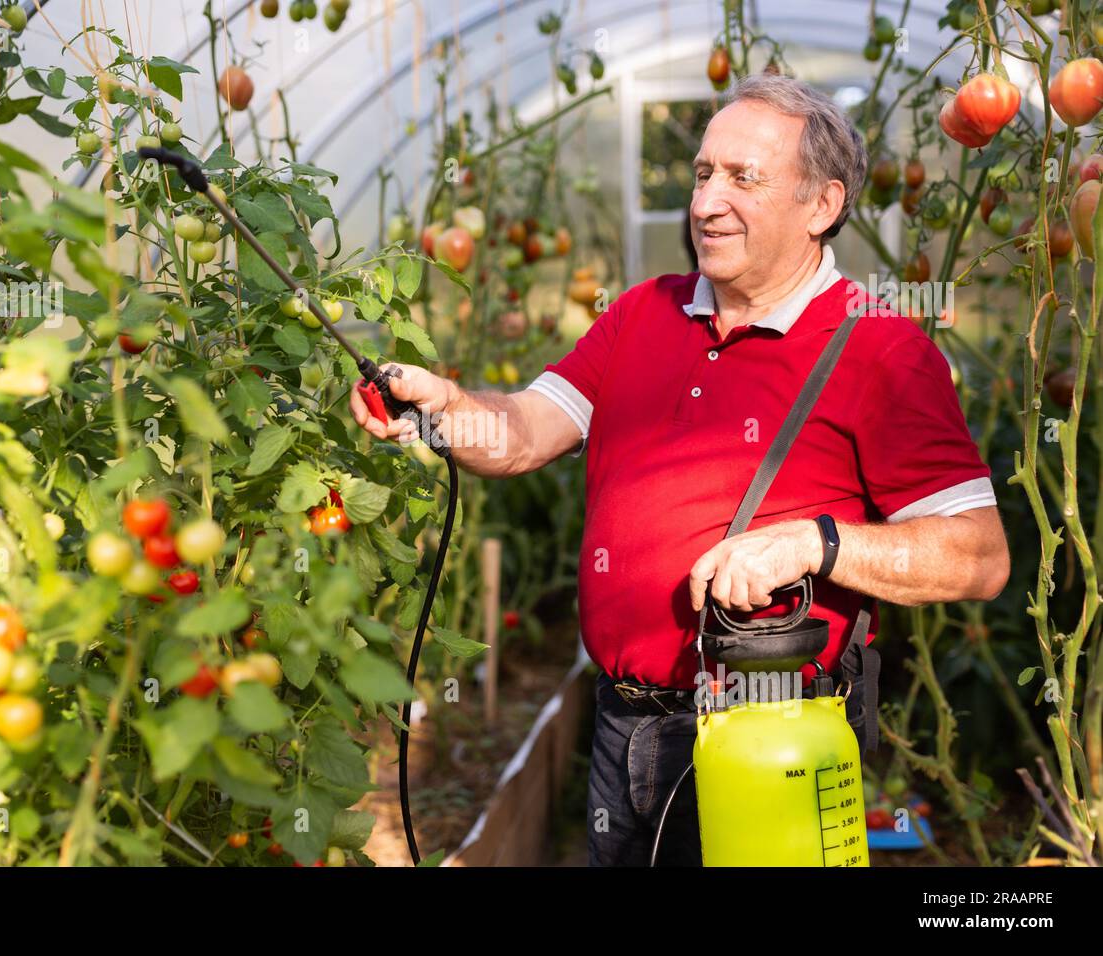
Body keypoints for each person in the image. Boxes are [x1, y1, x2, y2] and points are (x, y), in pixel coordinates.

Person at [349, 74, 1010, 867]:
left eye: (743, 178)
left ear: (823, 206)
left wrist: (814, 543)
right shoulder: (640, 313)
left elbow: (980, 555)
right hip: (621, 726)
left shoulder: (882, 350)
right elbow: (524, 431)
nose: (705, 203)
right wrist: (442, 404)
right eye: (702, 174)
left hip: (763, 735)